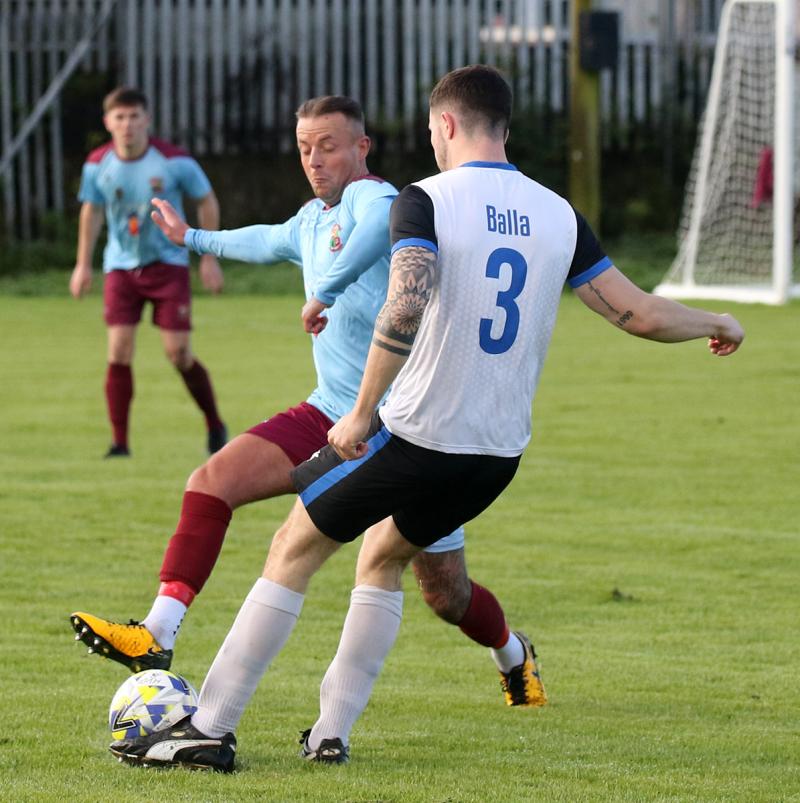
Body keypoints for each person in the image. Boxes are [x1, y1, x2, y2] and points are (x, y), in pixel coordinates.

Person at [105, 65, 744, 772]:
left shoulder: (426, 199)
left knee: (293, 546)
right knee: (383, 558)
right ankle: (329, 734)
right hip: (498, 452)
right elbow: (640, 312)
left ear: (444, 124)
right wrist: (715, 319)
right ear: (504, 126)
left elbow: (406, 302)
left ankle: (210, 728)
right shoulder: (558, 213)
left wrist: (358, 414)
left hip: (415, 434)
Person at [70, 94, 544, 712]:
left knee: (445, 595)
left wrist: (325, 288)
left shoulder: (381, 200)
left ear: (361, 148)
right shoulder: (312, 220)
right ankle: (156, 634)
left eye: (328, 145)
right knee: (212, 481)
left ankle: (512, 653)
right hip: (329, 412)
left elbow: (376, 233)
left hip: (405, 428)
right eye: (304, 148)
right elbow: (265, 240)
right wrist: (191, 237)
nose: (314, 160)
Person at [69, 87, 227, 457]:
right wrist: (82, 264)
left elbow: (206, 199)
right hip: (120, 268)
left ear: (147, 119)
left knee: (178, 354)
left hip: (168, 265)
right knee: (119, 351)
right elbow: (90, 212)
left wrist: (207, 255)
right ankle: (119, 443)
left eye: (134, 116)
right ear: (108, 123)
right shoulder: (96, 164)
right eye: (119, 118)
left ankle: (214, 423)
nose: (127, 125)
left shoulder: (173, 162)